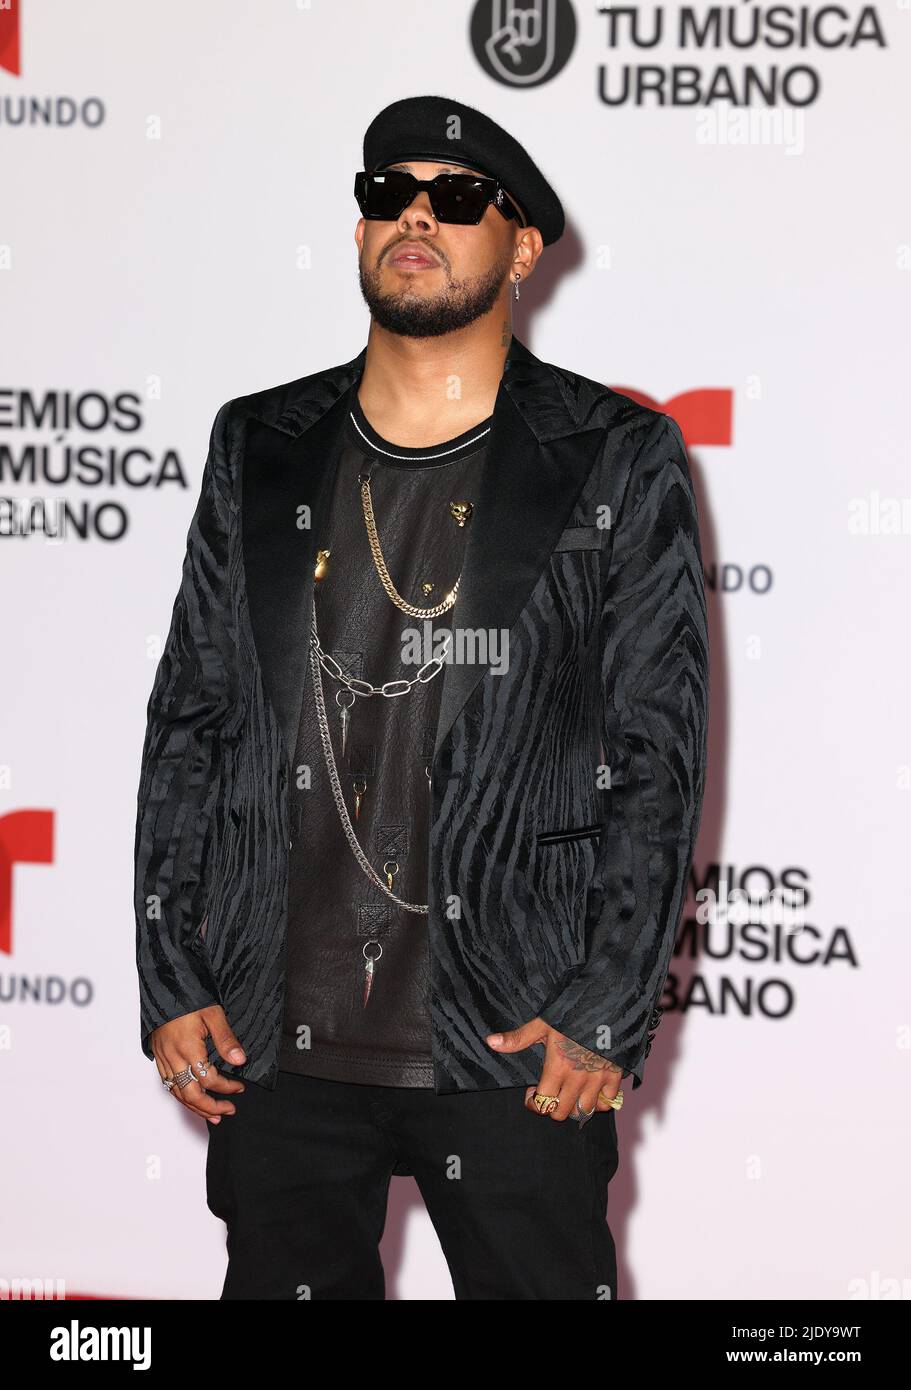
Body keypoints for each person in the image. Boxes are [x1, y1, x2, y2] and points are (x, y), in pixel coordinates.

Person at [133, 93, 709, 1300]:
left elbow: (655, 750)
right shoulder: (260, 442)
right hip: (278, 1041)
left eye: (457, 200)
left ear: (520, 248)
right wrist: (169, 973)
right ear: (355, 234)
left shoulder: (613, 452)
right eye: (386, 193)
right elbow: (191, 714)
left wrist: (602, 1008)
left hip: (510, 1036)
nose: (415, 216)